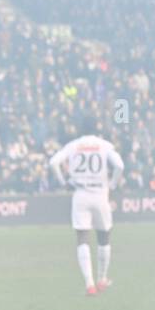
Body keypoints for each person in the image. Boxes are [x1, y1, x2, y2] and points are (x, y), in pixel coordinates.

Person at [49, 119, 124, 294]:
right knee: (104, 237)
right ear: (96, 129)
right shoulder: (104, 145)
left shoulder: (73, 145)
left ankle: (89, 284)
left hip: (80, 194)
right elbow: (120, 165)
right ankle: (102, 278)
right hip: (100, 194)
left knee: (82, 237)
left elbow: (53, 162)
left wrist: (62, 181)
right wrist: (112, 184)